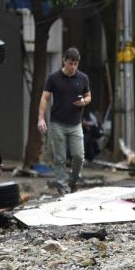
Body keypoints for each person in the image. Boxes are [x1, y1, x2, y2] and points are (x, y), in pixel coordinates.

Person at [37, 47, 91, 194]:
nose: (73, 67)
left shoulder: (83, 78)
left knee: (79, 156)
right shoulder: (53, 78)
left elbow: (88, 96)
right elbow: (45, 98)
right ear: (64, 61)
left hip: (76, 124)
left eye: (75, 64)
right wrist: (41, 118)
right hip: (57, 123)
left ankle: (73, 180)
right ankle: (62, 187)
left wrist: (84, 102)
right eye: (70, 64)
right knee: (60, 158)